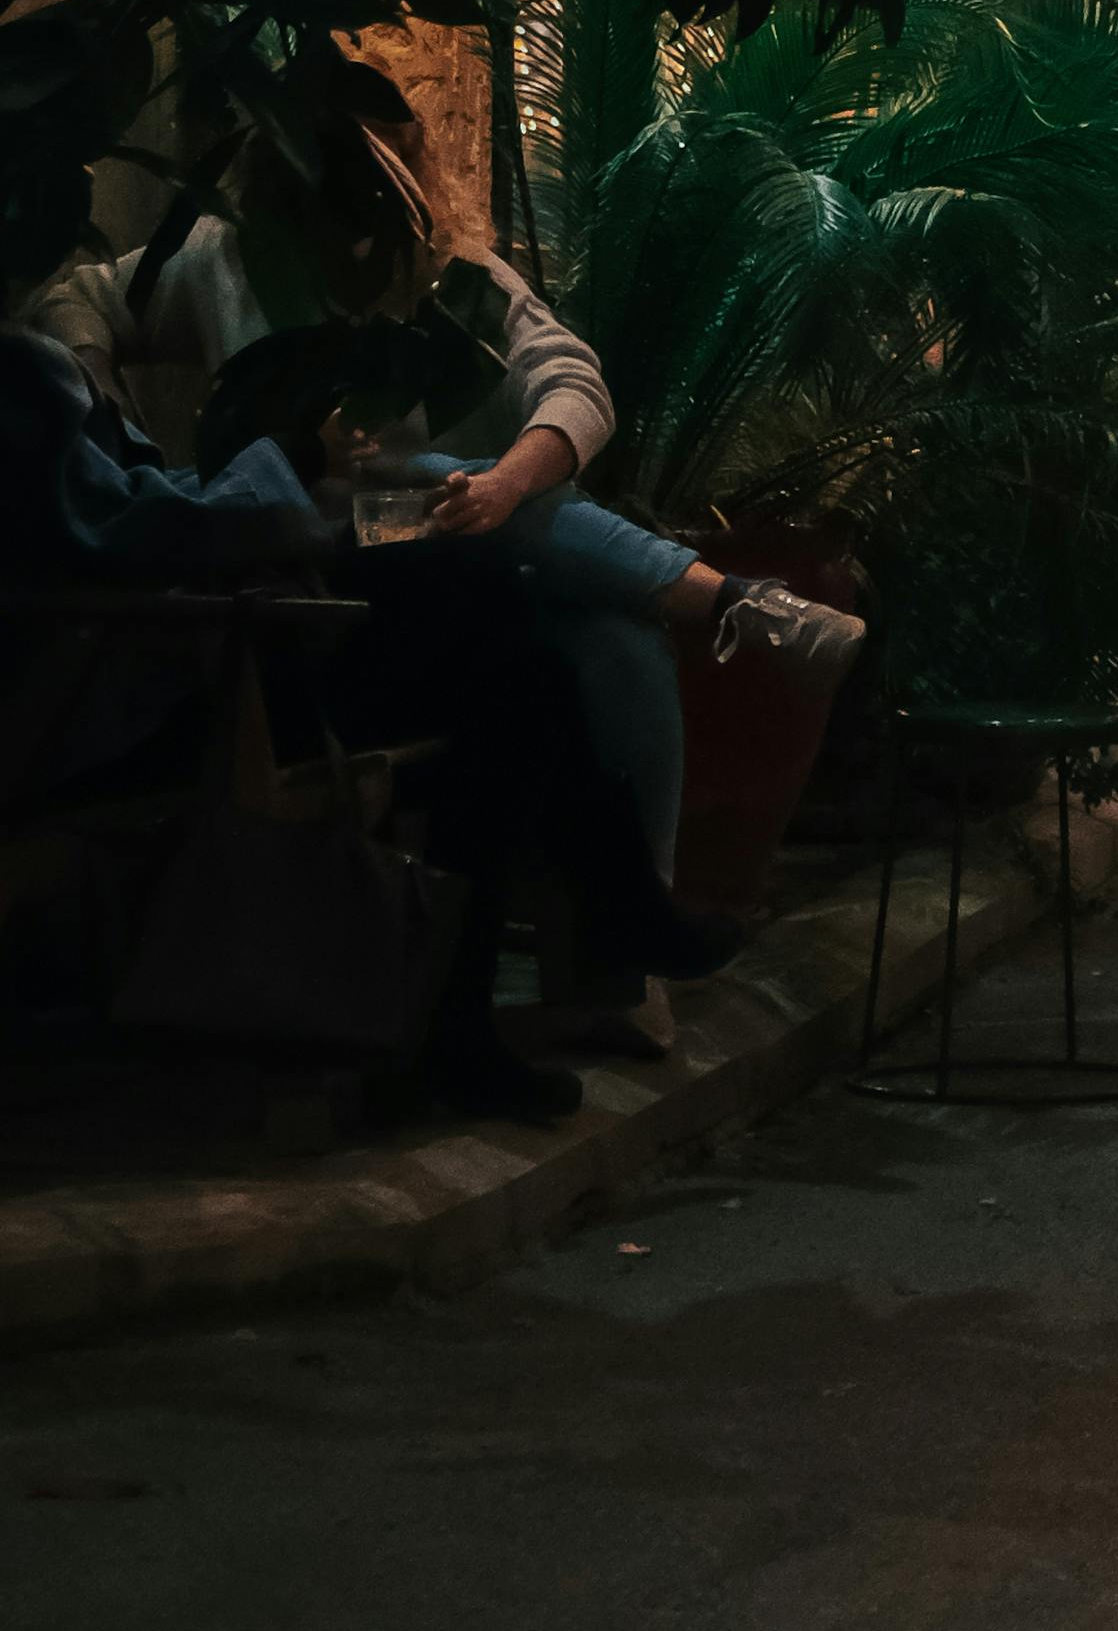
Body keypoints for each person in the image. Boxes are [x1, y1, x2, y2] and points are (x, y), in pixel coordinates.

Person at [0, 323, 738, 1125]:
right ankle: (578, 938)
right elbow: (119, 533)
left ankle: (520, 981)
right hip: (147, 687)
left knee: (495, 643)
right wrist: (293, 457)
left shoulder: (30, 362)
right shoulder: (19, 372)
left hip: (180, 647)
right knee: (504, 674)